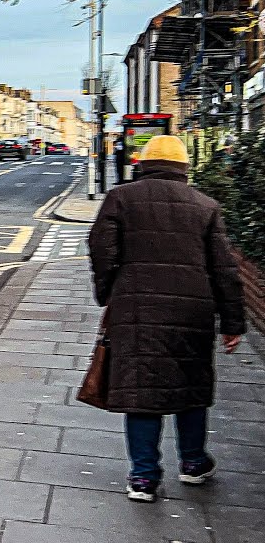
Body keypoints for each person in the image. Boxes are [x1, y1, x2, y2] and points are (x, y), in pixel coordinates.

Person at [87, 135, 245, 503]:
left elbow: (101, 248)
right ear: (184, 168)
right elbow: (225, 270)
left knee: (141, 390)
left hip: (136, 309)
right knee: (190, 388)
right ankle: (192, 463)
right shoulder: (206, 206)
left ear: (142, 164)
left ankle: (143, 478)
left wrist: (108, 290)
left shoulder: (121, 199)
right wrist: (233, 323)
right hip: (194, 312)